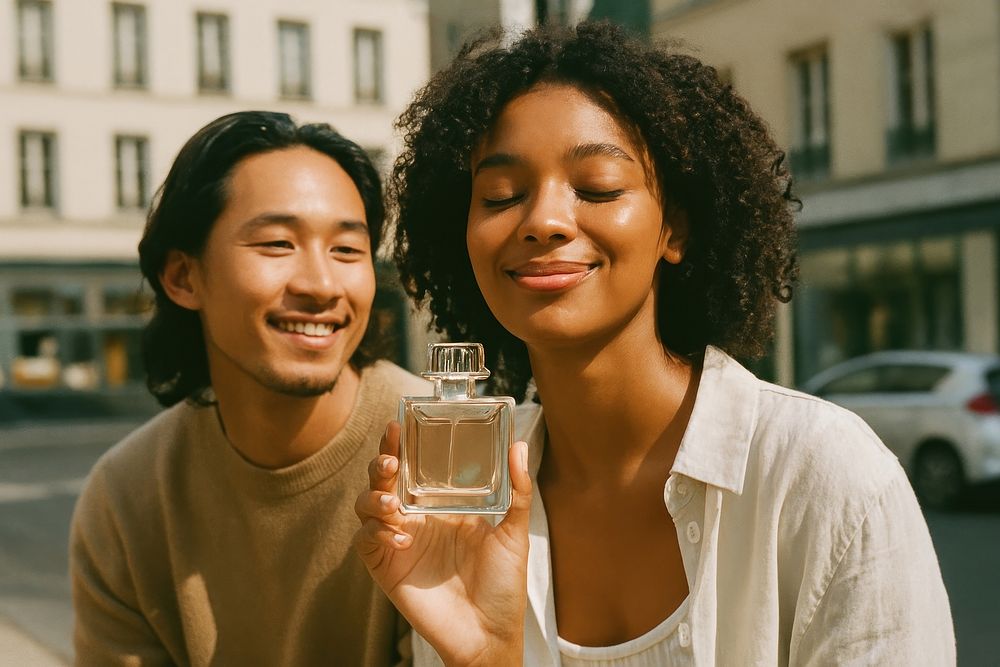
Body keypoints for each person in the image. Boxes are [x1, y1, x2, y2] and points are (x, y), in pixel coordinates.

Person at [354, 22, 956, 666]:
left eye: (597, 188)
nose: (543, 221)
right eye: (501, 196)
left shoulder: (821, 477)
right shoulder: (459, 502)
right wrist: (484, 657)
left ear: (675, 228)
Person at [70, 111, 429, 666]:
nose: (320, 285)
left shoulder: (440, 454)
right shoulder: (127, 497)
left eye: (347, 250)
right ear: (184, 278)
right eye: (278, 244)